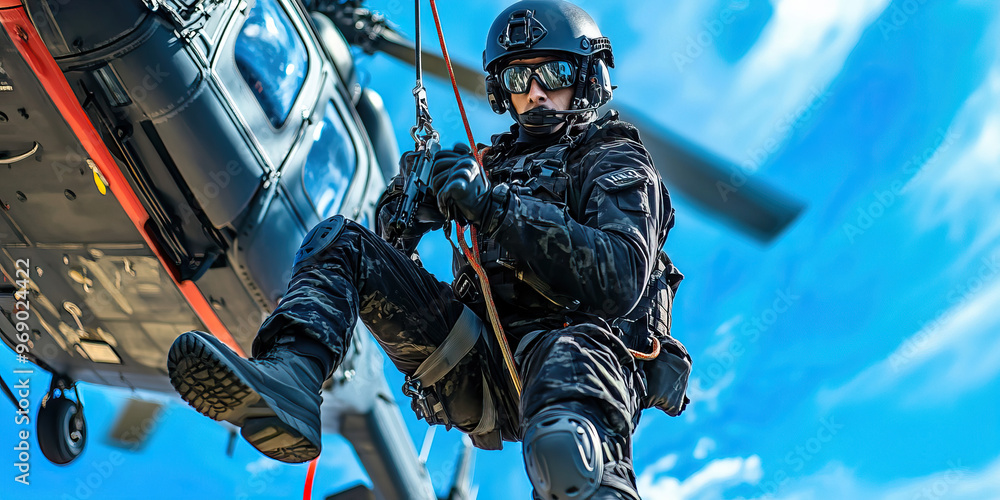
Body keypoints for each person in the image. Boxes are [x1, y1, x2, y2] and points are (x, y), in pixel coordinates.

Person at [167, 1, 690, 499]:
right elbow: (386, 256)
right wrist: (405, 215)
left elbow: (619, 278)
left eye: (551, 74)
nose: (533, 93)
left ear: (587, 78)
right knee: (342, 241)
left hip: (577, 358)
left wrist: (492, 209)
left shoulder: (613, 160)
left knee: (564, 449)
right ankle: (292, 379)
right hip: (475, 360)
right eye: (516, 79)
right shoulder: (487, 164)